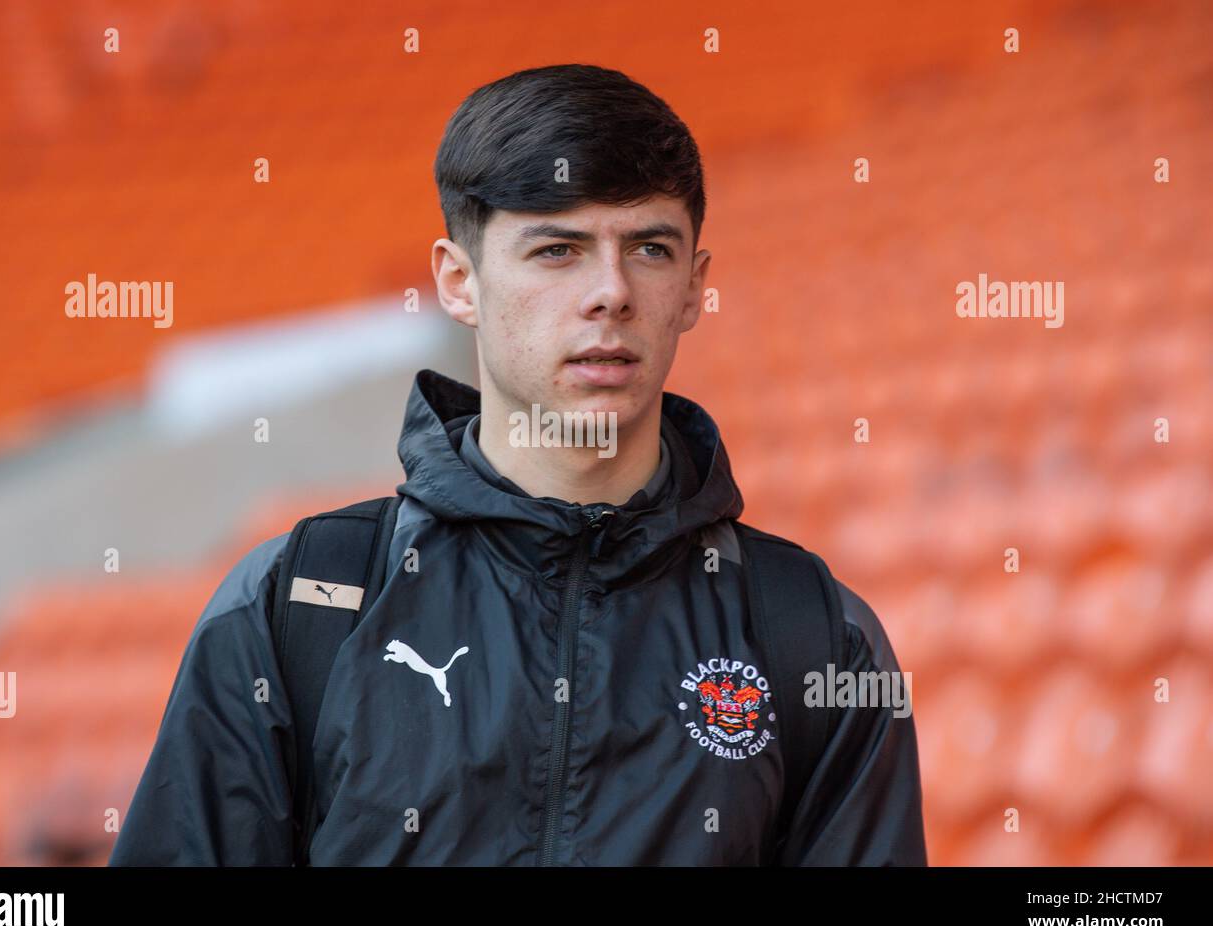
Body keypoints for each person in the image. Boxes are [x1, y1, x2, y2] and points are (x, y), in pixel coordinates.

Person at [108, 63, 926, 867]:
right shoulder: (300, 608)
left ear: (693, 289)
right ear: (459, 282)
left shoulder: (811, 635)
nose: (611, 292)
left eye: (648, 247)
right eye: (556, 250)